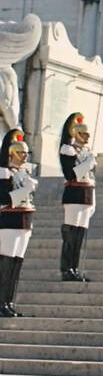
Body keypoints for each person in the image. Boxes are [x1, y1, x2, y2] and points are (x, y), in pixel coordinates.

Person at [0, 127, 38, 317]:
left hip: (24, 220)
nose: (24, 156)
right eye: (20, 152)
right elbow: (4, 198)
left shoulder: (23, 172)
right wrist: (26, 190)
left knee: (17, 263)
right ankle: (1, 302)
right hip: (9, 221)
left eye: (26, 152)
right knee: (6, 262)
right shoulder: (4, 172)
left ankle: (9, 301)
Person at [59, 113, 96, 282]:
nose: (87, 137)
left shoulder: (86, 151)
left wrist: (93, 199)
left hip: (86, 195)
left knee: (80, 233)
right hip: (74, 194)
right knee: (71, 232)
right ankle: (66, 267)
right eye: (84, 134)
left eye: (88, 134)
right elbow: (71, 174)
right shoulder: (68, 149)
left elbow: (91, 178)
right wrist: (87, 163)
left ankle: (74, 267)